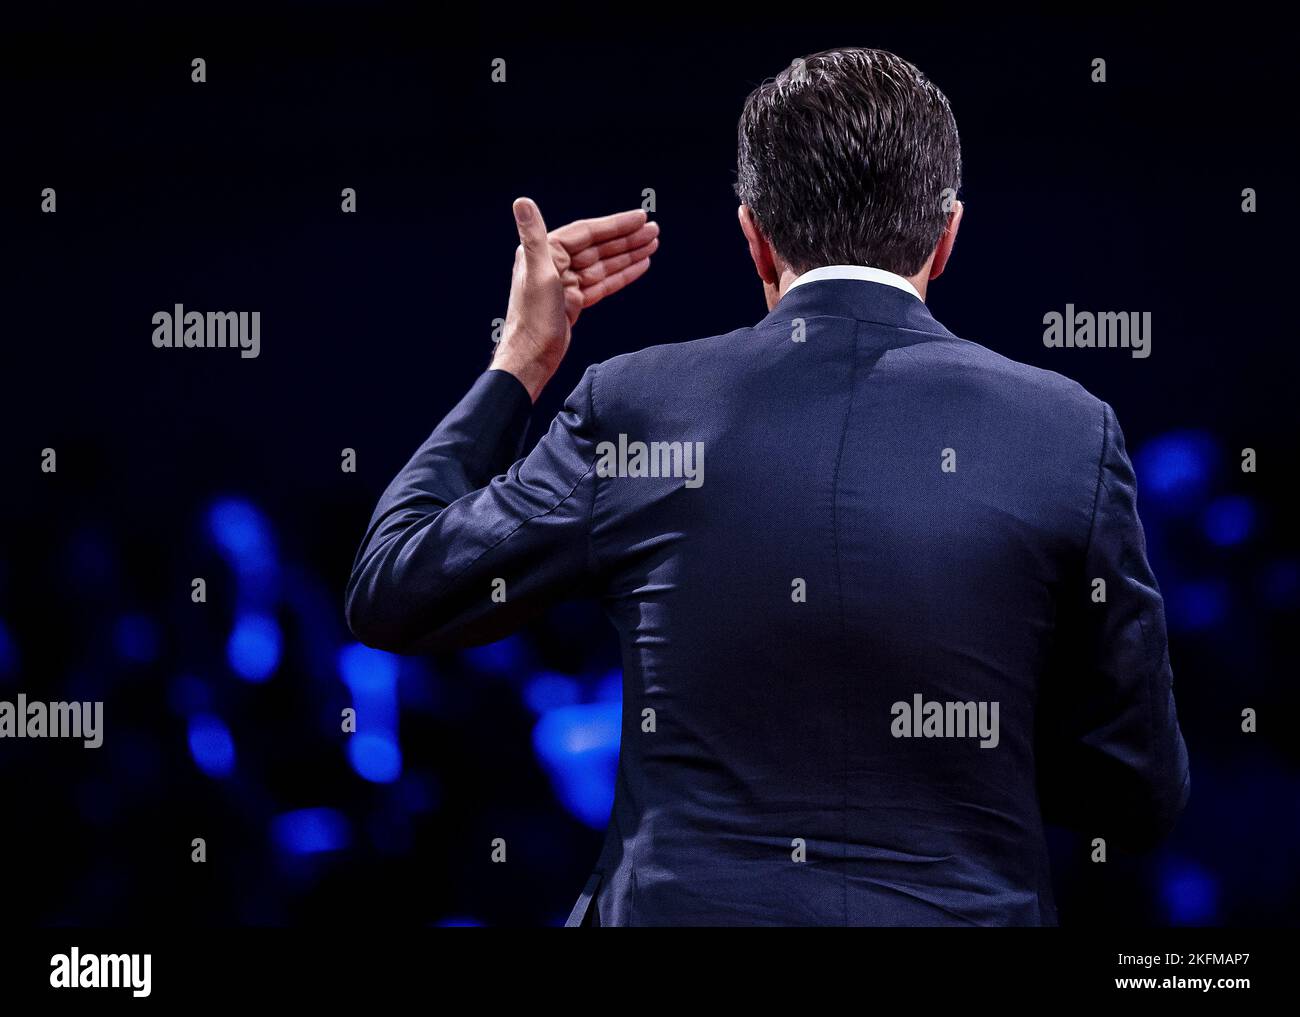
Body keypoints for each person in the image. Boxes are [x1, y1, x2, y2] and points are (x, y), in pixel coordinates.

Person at [346, 47, 1189, 926]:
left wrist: (521, 360)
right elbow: (1138, 793)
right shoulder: (1065, 432)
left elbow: (393, 589)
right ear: (948, 235)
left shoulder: (643, 407)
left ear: (754, 235)